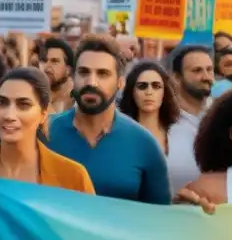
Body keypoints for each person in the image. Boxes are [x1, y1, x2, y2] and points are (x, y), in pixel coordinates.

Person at [47, 34, 171, 204]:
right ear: (73, 78)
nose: (91, 82)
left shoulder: (145, 145)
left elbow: (160, 218)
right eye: (84, 72)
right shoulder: (44, 133)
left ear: (120, 83)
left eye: (103, 74)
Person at [0, 67, 94, 192]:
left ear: (43, 114)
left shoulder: (73, 177)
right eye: (2, 103)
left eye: (23, 105)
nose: (9, 115)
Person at [166, 45, 215, 193]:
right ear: (176, 78)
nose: (206, 77)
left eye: (209, 70)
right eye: (197, 70)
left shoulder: (223, 116)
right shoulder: (163, 121)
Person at [117, 60, 179, 153]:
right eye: (142, 86)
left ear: (165, 92)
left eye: (156, 86)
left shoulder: (179, 132)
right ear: (132, 91)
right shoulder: (119, 133)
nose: (149, 92)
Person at [40, 37, 74, 114]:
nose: (47, 67)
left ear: (68, 69)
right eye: (45, 61)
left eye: (54, 61)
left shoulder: (78, 102)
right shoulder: (38, 93)